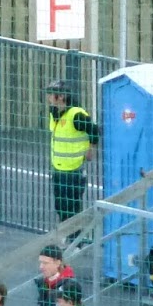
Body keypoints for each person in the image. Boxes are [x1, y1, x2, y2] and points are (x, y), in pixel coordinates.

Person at [45, 81, 100, 221]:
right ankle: (65, 238)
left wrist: (90, 149)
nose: (48, 98)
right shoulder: (55, 113)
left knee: (72, 208)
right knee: (60, 207)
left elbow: (94, 130)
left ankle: (75, 239)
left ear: (61, 96)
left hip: (73, 171)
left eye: (51, 94)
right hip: (58, 169)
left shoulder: (76, 115)